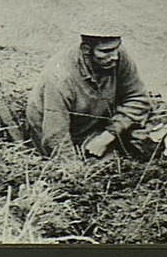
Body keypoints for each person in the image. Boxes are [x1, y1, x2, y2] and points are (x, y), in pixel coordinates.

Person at [26, 16, 152, 160]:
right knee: (103, 169)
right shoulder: (60, 77)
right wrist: (73, 169)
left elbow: (138, 99)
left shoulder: (118, 57)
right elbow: (55, 136)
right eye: (106, 51)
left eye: (117, 48)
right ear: (86, 50)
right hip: (58, 131)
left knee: (150, 137)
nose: (115, 56)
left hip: (98, 124)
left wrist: (108, 135)